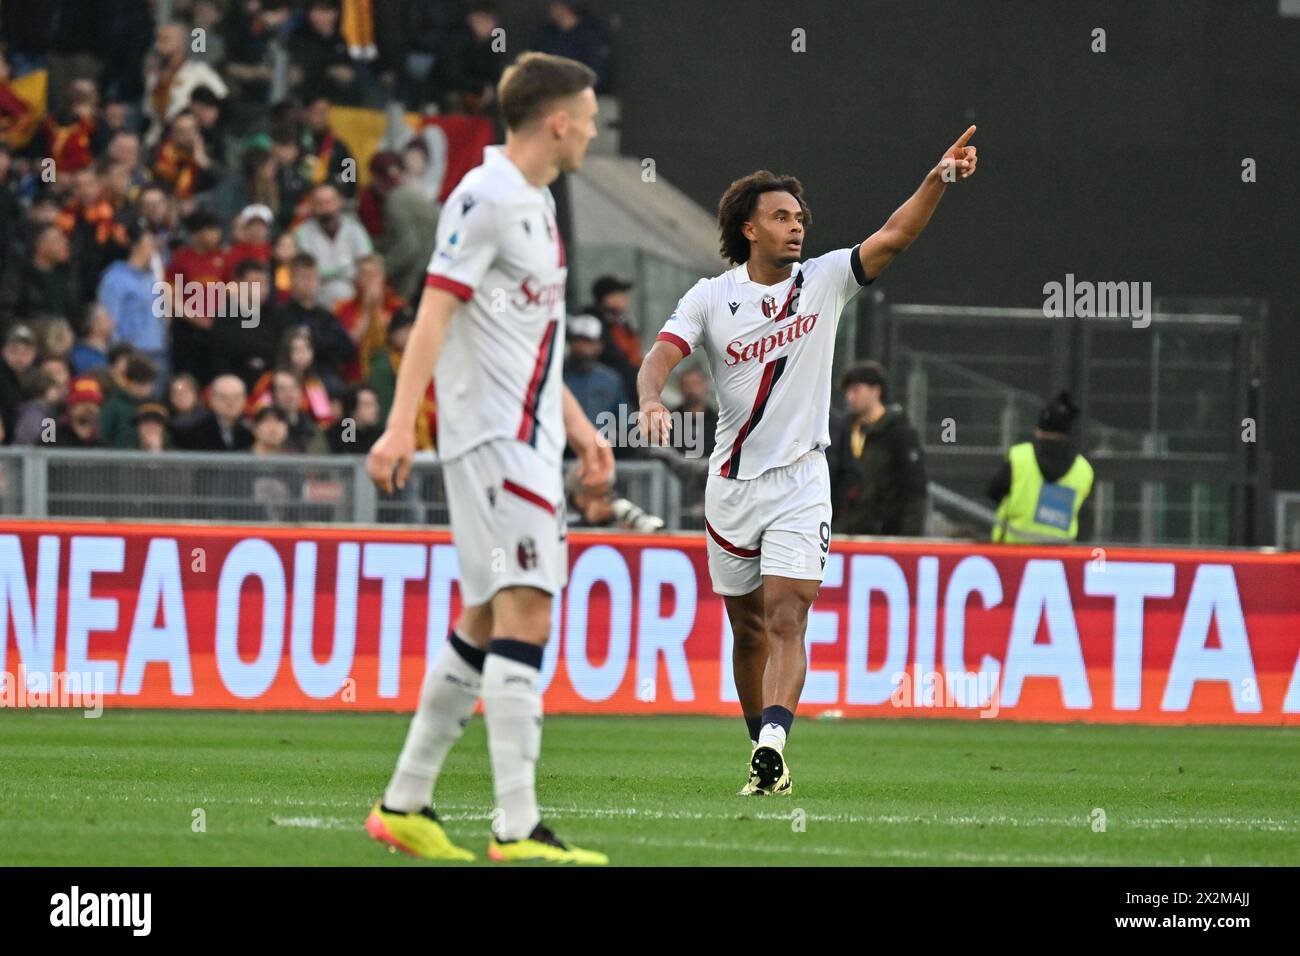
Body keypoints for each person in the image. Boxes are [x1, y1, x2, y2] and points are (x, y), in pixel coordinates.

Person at [637, 128, 979, 796]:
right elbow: (661, 354)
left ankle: (773, 740)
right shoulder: (710, 297)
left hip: (801, 481)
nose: (797, 228)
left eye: (800, 219)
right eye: (782, 217)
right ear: (749, 227)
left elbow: (893, 236)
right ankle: (763, 756)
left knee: (788, 616)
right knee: (746, 632)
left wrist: (938, 177)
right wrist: (651, 397)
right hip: (732, 486)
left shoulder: (823, 280)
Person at [364, 52, 611, 865]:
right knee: (528, 610)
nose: (598, 126)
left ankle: (404, 804)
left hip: (530, 438)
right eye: (591, 113)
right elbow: (433, 314)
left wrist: (577, 427)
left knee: (483, 616)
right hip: (495, 442)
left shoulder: (535, 202)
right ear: (559, 120)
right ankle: (516, 827)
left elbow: (525, 342)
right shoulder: (486, 195)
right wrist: (402, 427)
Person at [830, 361, 928, 536]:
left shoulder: (898, 432)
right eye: (847, 391)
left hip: (884, 536)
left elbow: (914, 491)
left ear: (876, 390)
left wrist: (909, 539)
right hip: (843, 532)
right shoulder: (843, 429)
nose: (850, 397)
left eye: (856, 389)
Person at [988, 390, 1095, 543]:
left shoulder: (1020, 456)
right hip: (1059, 553)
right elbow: (1084, 515)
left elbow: (993, 493)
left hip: (1013, 549)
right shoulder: (1084, 469)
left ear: (1039, 428)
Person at [562, 313, 626, 436]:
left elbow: (625, 422)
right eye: (578, 341)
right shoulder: (556, 376)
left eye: (588, 342)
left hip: (601, 447)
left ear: (599, 346)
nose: (582, 348)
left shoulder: (611, 380)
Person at [172, 373, 253, 452]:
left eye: (236, 397)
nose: (230, 403)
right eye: (223, 397)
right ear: (212, 400)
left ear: (244, 399)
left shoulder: (252, 431)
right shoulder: (192, 431)